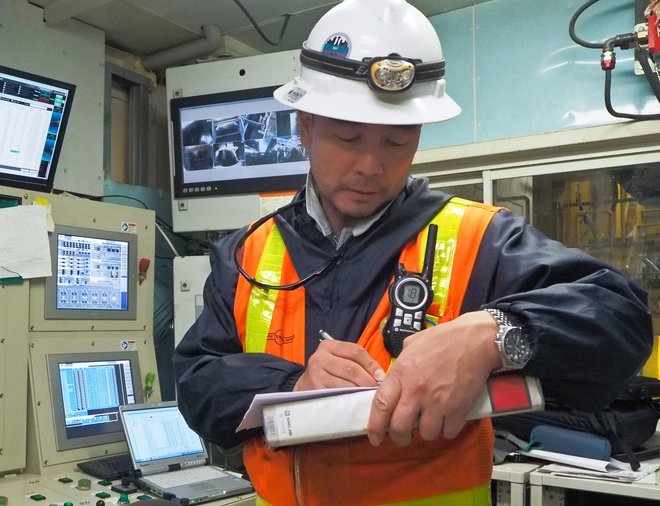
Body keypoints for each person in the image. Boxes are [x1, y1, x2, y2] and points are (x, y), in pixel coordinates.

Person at [172, 0, 654, 504]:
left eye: (396, 142)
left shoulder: (479, 238)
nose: (369, 165)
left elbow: (620, 316)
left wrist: (495, 333)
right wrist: (293, 384)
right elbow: (197, 381)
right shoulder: (245, 253)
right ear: (306, 127)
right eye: (348, 137)